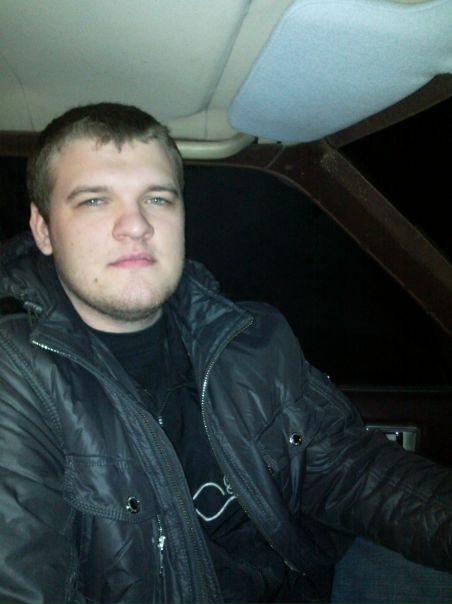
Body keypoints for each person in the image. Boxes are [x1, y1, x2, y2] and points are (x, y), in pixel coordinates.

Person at [0, 102, 450, 604]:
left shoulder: (243, 336)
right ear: (43, 229)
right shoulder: (18, 377)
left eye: (157, 198)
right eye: (94, 200)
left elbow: (344, 467)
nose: (137, 225)